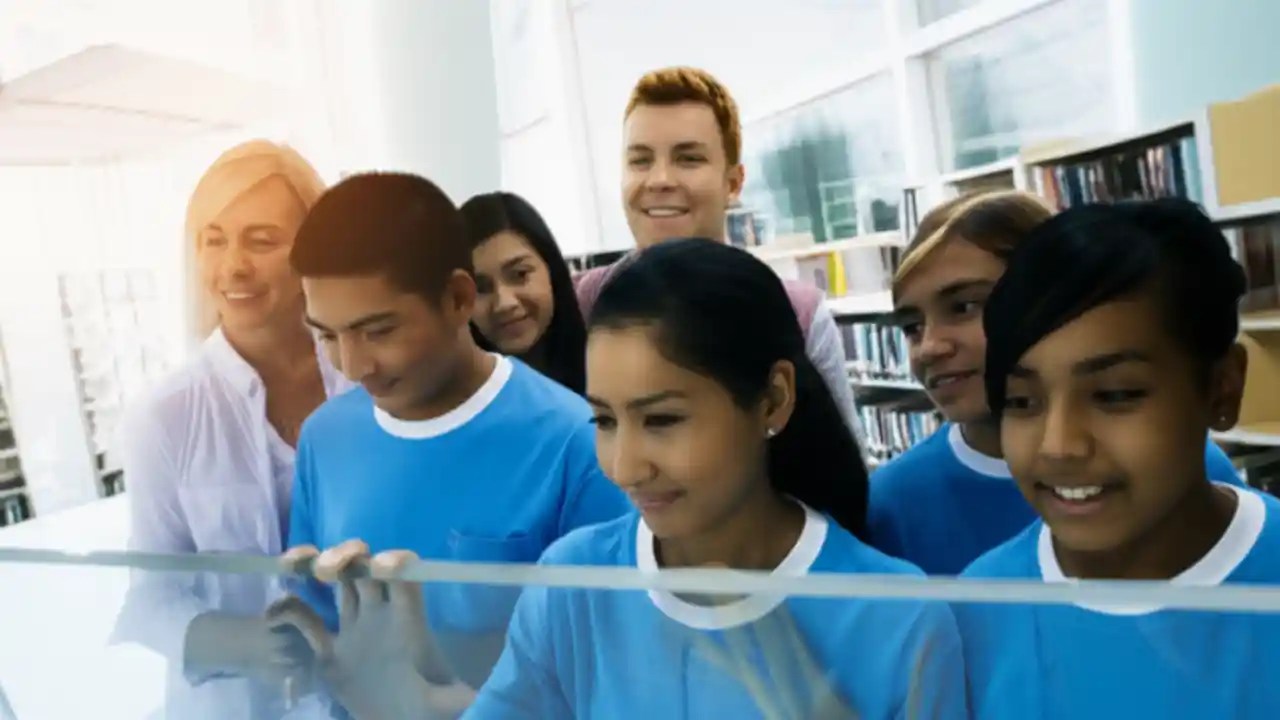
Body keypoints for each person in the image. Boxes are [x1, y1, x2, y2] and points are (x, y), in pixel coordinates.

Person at [444, 239, 954, 718]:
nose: (625, 467)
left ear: (773, 399)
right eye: (604, 421)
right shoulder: (573, 585)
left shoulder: (898, 619)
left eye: (662, 420)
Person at [280, 172, 630, 694]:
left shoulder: (573, 444)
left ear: (458, 298)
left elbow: (612, 668)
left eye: (378, 331)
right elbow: (319, 634)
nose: (352, 366)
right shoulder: (324, 440)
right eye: (327, 335)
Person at [957, 199, 1280, 719]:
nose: (1058, 445)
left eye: (1114, 394)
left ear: (1222, 388)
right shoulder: (974, 616)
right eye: (1021, 402)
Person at [869, 190, 1242, 575]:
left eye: (964, 307)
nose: (929, 347)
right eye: (912, 327)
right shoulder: (891, 503)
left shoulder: (1189, 468)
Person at [111, 140, 349, 717]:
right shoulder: (165, 414)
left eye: (261, 240)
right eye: (213, 239)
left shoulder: (364, 383)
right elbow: (152, 593)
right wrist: (243, 645)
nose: (232, 265)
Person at [573, 66, 863, 443]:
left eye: (688, 158)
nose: (660, 179)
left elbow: (841, 472)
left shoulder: (800, 316)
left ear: (733, 183)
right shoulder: (576, 309)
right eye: (640, 160)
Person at [460, 191, 586, 394]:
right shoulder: (450, 402)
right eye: (480, 288)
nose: (504, 303)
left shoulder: (608, 367)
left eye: (520, 274)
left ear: (551, 268)